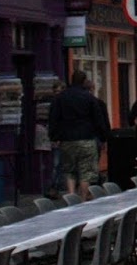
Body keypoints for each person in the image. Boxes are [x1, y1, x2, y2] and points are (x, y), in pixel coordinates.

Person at [47, 70, 110, 198]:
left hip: (67, 139)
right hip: (86, 139)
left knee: (69, 170)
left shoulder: (61, 98)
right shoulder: (90, 98)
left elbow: (53, 118)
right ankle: (82, 197)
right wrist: (103, 138)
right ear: (83, 81)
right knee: (85, 171)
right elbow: (98, 119)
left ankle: (70, 196)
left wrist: (54, 136)